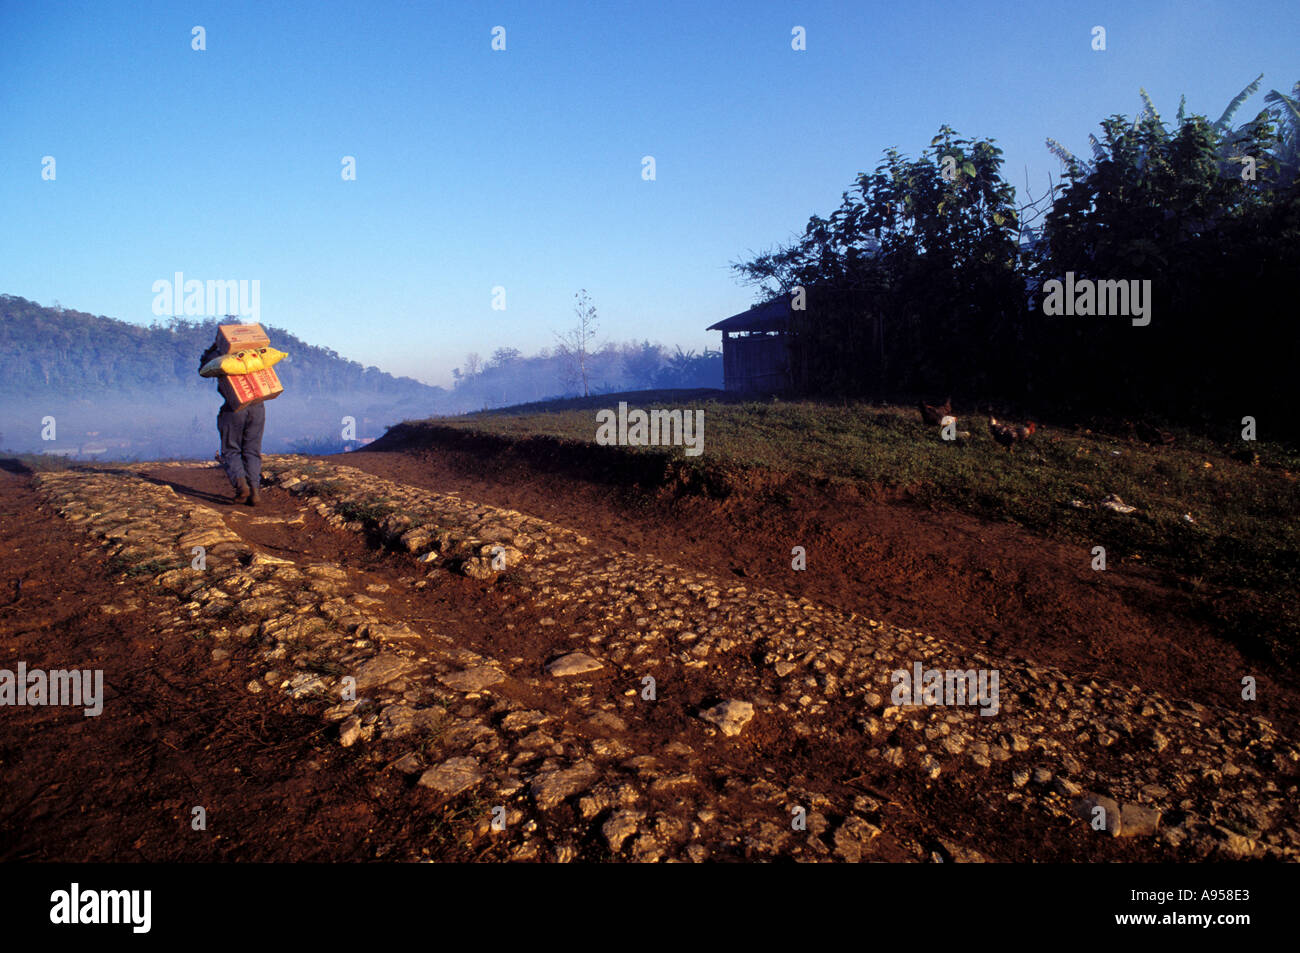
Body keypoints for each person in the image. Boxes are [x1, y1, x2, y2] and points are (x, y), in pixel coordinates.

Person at [200, 332, 266, 506]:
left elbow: (203, 368)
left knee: (230, 450)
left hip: (233, 408)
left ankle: (241, 485)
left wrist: (215, 346)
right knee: (252, 451)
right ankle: (255, 491)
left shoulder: (220, 356)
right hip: (258, 407)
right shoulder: (256, 354)